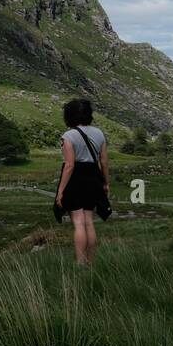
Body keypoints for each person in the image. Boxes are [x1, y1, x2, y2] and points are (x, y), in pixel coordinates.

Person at [54, 98, 109, 265]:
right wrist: (106, 183)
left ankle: (79, 263)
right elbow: (104, 162)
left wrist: (60, 190)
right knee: (89, 222)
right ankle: (90, 263)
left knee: (78, 223)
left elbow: (69, 165)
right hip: (93, 177)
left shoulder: (68, 136)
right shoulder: (99, 133)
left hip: (76, 178)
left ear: (69, 116)